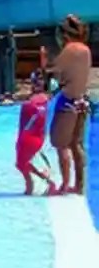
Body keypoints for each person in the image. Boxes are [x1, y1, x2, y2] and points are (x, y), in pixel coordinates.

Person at [47, 15, 91, 195]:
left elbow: (54, 73)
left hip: (67, 102)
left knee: (61, 145)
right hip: (82, 101)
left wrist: (44, 61)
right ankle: (79, 186)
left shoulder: (69, 49)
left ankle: (65, 185)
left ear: (64, 34)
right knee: (77, 145)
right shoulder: (85, 50)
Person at [16, 82, 56, 196]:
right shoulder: (46, 104)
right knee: (22, 163)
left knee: (21, 164)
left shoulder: (28, 105)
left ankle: (38, 183)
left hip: (27, 137)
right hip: (38, 138)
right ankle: (35, 183)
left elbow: (23, 124)